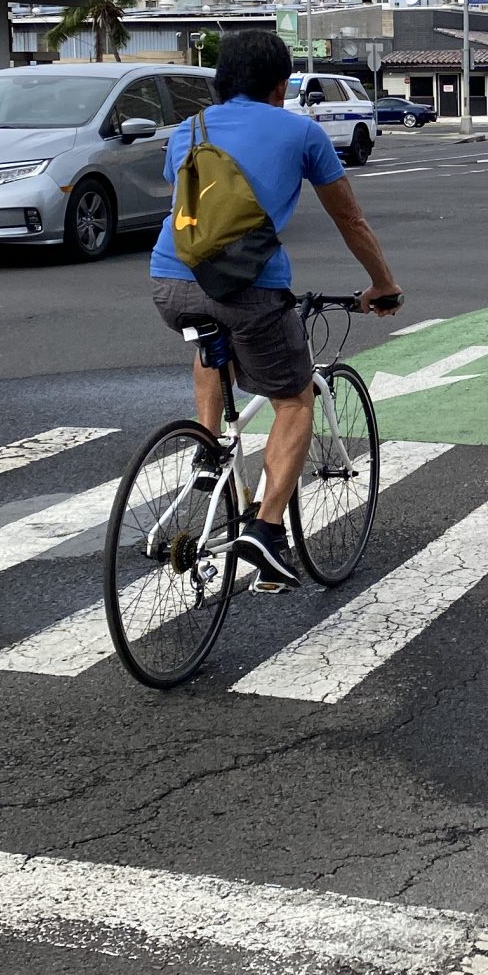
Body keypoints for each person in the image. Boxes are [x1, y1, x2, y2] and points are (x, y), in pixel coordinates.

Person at [149, 30, 402, 593]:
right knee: (294, 399)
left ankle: (207, 451)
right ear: (281, 84)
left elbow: (188, 201)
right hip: (251, 287)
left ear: (220, 81)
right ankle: (265, 533)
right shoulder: (302, 131)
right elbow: (350, 219)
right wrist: (382, 284)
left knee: (208, 342)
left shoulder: (190, 129)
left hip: (170, 279)